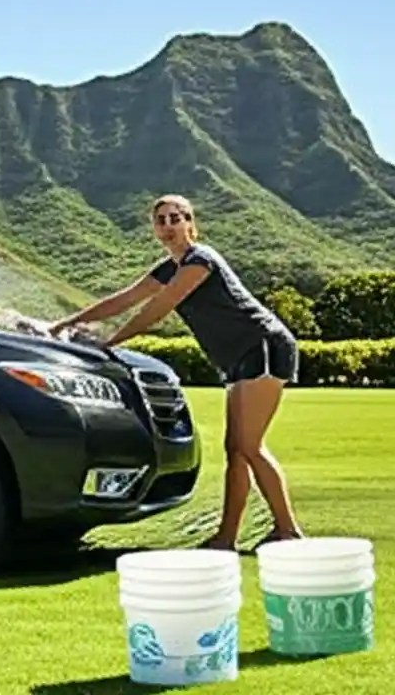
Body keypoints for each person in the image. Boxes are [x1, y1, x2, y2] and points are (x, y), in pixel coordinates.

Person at [48, 194, 305, 551]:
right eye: (161, 220)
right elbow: (124, 299)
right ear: (154, 228)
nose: (168, 226)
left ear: (190, 224)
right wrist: (66, 323)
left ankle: (288, 530)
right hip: (236, 358)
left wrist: (110, 342)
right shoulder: (168, 268)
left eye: (176, 218)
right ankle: (227, 537)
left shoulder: (201, 260)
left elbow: (159, 307)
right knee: (235, 450)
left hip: (262, 346)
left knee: (249, 445)